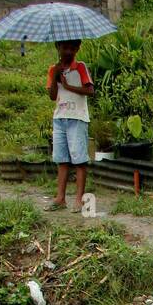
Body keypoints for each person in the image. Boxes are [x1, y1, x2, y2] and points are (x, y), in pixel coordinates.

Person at [46, 40, 94, 210]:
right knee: (62, 160)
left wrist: (67, 85)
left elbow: (90, 91)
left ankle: (79, 199)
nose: (68, 51)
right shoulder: (54, 69)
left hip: (77, 118)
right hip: (59, 118)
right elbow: (52, 96)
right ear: (57, 47)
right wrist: (56, 77)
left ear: (77, 49)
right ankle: (60, 198)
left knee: (80, 160)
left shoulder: (80, 67)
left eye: (72, 48)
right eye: (64, 47)